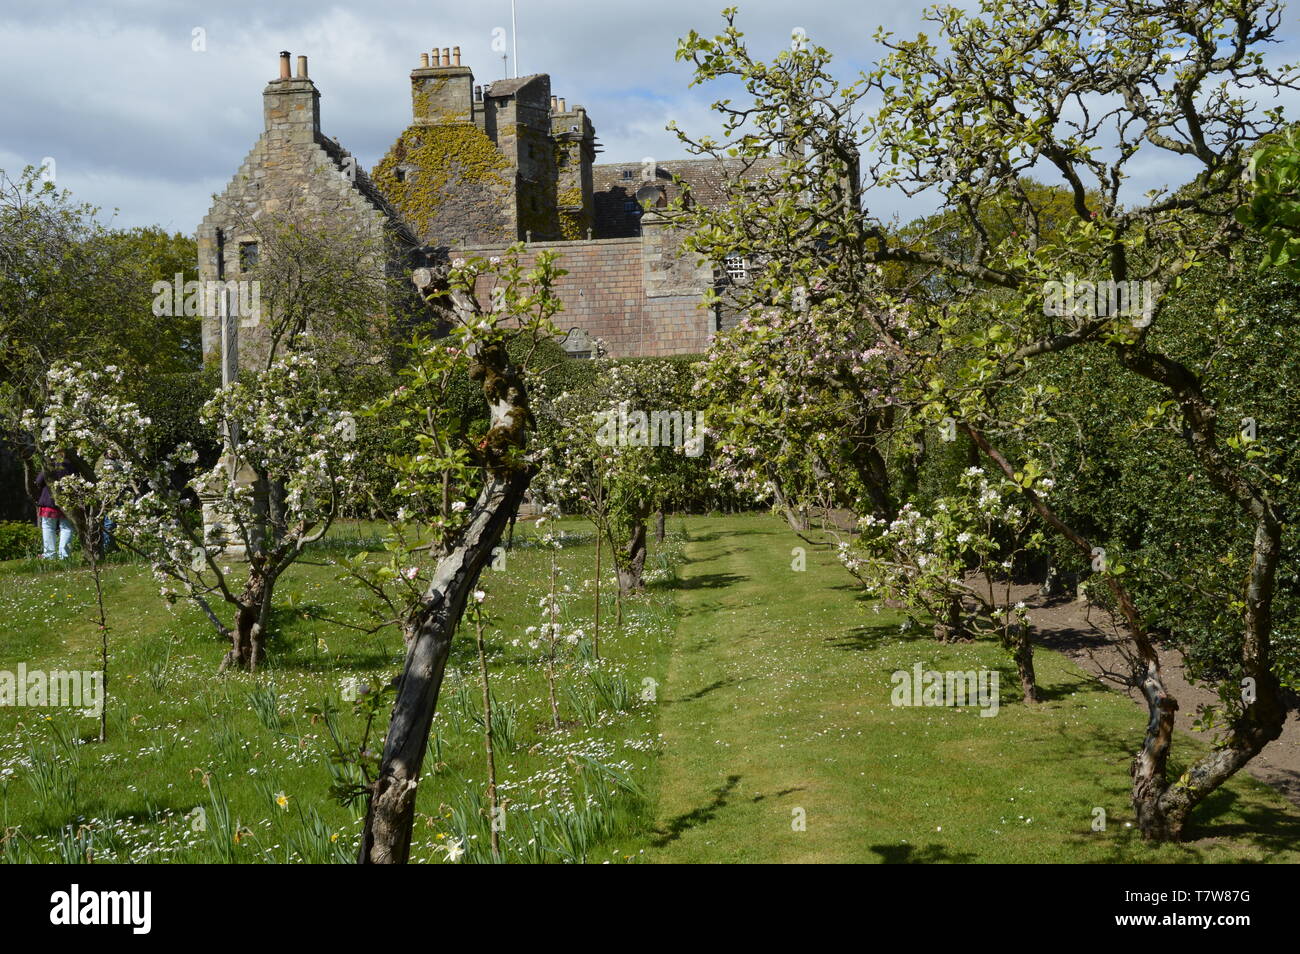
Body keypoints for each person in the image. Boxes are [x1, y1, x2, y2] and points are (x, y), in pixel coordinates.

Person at [34, 453, 75, 560]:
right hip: (67, 500)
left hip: (49, 500)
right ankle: (64, 555)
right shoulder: (72, 465)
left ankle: (49, 555)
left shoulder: (50, 464)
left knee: (48, 527)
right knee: (66, 528)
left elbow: (38, 481)